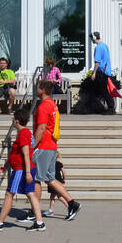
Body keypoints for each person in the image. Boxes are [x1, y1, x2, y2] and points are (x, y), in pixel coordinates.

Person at [33, 80, 81, 220]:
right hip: (51, 146)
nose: (36, 89)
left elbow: (41, 128)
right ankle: (72, 203)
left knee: (37, 178)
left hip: (43, 146)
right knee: (50, 179)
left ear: (42, 90)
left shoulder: (43, 107)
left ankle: (33, 211)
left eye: (37, 87)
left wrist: (32, 146)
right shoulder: (52, 105)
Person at [0, 106, 44, 231]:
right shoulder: (27, 133)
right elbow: (17, 154)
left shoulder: (23, 134)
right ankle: (40, 223)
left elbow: (25, 154)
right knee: (31, 194)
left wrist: (27, 172)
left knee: (9, 194)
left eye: (13, 119)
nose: (12, 121)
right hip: (25, 169)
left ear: (17, 121)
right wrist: (6, 166)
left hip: (22, 170)